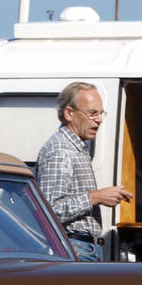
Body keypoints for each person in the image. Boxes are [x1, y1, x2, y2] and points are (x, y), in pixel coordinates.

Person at [36, 82, 133, 261]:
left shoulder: (76, 146)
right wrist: (97, 197)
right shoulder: (61, 149)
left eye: (101, 113)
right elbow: (50, 209)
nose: (99, 119)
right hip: (73, 247)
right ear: (69, 113)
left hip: (82, 247)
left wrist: (104, 195)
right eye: (92, 113)